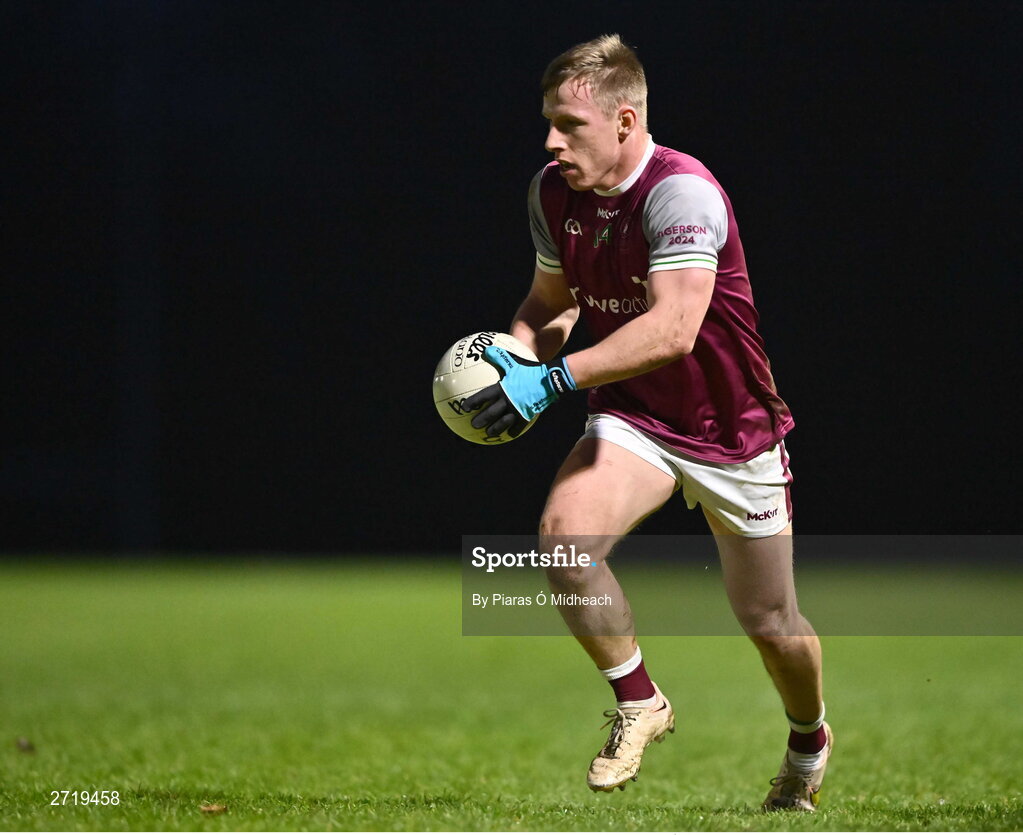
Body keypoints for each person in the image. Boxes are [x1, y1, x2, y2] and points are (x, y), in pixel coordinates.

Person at [464, 34, 831, 811]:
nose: (551, 140)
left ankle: (807, 740)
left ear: (625, 121)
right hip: (634, 415)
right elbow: (552, 301)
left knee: (769, 622)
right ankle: (639, 701)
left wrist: (554, 378)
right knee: (564, 539)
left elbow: (673, 330)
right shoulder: (551, 193)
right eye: (548, 123)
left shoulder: (681, 192)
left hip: (732, 428)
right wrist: (517, 362)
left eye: (570, 124)